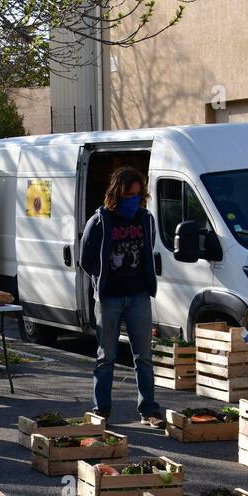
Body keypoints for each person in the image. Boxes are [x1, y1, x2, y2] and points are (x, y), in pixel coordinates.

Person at [79, 167, 163, 426]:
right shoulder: (100, 221)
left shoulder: (145, 219)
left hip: (138, 295)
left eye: (138, 195)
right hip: (110, 298)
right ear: (117, 194)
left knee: (143, 356)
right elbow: (86, 259)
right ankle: (101, 409)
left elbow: (149, 250)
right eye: (129, 195)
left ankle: (149, 409)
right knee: (106, 356)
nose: (134, 199)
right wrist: (101, 281)